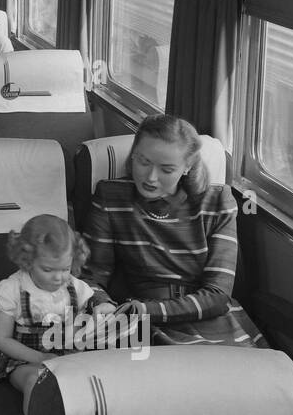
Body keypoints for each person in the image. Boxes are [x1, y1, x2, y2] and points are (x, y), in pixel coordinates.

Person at [82, 113, 266, 346]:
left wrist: (143, 310)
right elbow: (91, 275)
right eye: (143, 161)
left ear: (187, 167)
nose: (150, 177)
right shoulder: (110, 196)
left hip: (206, 316)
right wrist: (101, 303)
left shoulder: (217, 201)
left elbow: (218, 296)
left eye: (166, 170)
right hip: (139, 322)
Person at [0, 214, 116, 414]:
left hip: (68, 356)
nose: (58, 277)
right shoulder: (13, 289)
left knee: (93, 381)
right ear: (27, 260)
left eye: (65, 268)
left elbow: (96, 298)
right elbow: (2, 339)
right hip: (25, 359)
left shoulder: (73, 285)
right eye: (48, 269)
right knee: (38, 382)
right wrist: (39, 357)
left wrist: (103, 307)